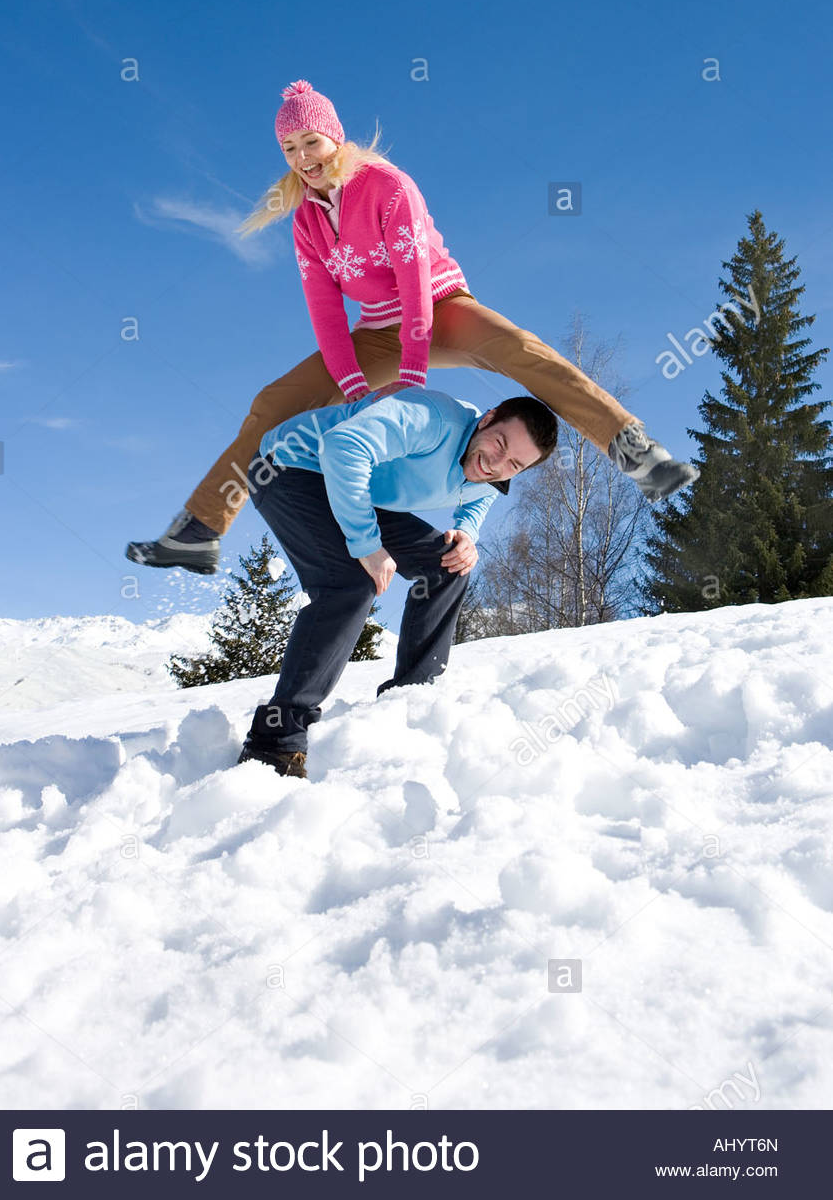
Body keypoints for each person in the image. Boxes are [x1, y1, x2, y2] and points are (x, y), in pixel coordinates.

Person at [127, 79, 697, 577]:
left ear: (336, 139)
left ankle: (635, 451)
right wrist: (356, 391)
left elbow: (415, 284)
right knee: (273, 401)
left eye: (312, 143)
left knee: (521, 350)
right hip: (376, 330)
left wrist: (409, 381)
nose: (304, 157)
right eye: (290, 148)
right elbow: (326, 315)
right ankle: (198, 532)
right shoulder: (304, 219)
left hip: (440, 305)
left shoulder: (386, 186)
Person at [236, 386, 557, 778]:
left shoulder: (492, 471)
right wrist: (366, 544)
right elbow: (343, 446)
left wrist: (466, 532)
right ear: (486, 419)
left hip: (356, 491)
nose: (496, 464)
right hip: (290, 467)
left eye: (515, 465)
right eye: (499, 444)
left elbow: (479, 497)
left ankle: (410, 697)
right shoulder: (433, 418)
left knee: (449, 564)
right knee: (351, 583)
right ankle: (275, 740)